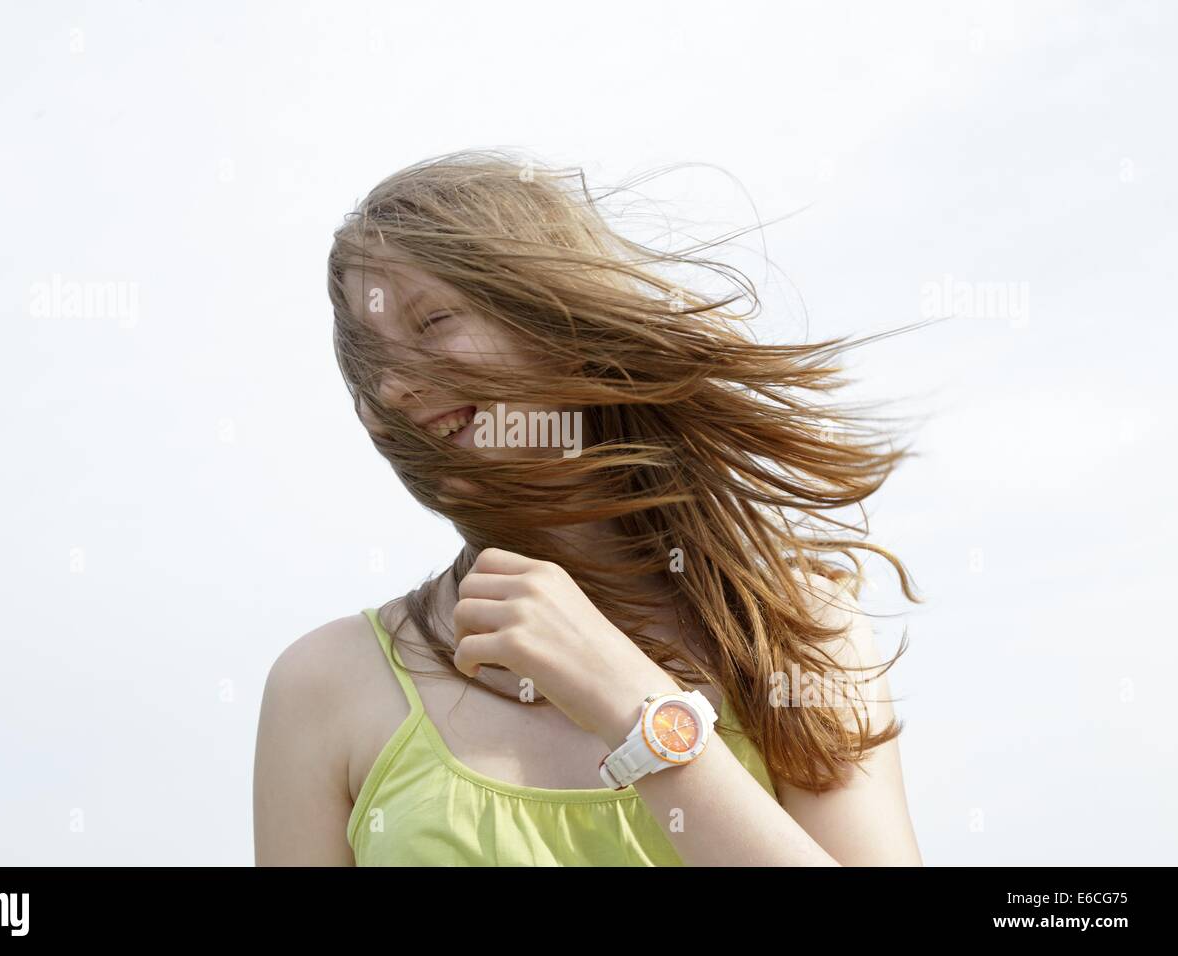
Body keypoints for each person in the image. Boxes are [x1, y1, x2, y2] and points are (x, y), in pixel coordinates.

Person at [254, 150, 925, 866]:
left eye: (434, 321)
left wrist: (637, 708)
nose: (395, 388)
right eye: (372, 362)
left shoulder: (795, 636)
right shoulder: (324, 686)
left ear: (557, 312)